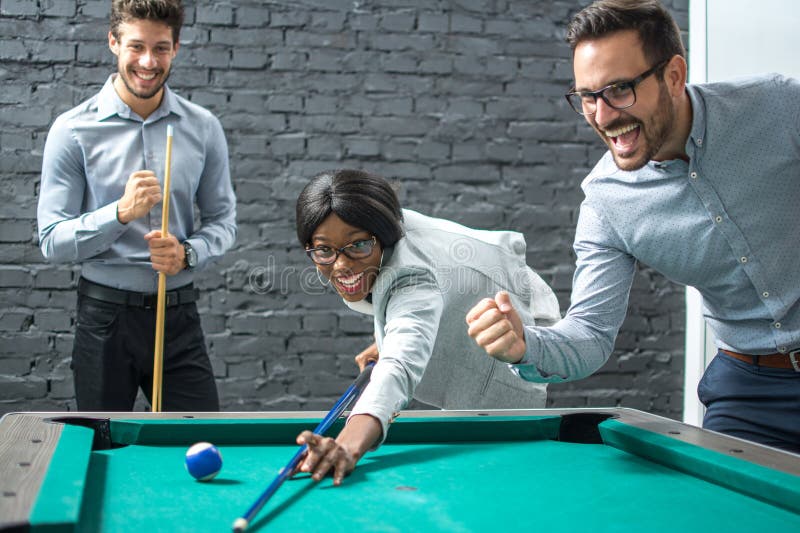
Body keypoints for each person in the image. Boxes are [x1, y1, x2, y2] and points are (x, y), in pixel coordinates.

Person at [467, 0, 800, 453]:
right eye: (587, 97)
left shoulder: (779, 106)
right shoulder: (607, 202)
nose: (602, 116)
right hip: (749, 390)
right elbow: (590, 334)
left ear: (674, 75)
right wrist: (526, 346)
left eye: (619, 90)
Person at [293, 169, 560, 483]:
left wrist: (347, 445)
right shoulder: (373, 220)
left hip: (514, 321)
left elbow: (400, 365)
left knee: (488, 472)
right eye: (324, 250)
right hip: (477, 291)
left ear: (383, 235)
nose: (340, 264)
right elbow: (409, 321)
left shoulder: (413, 277)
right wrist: (390, 336)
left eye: (357, 246)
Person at [36, 0, 236, 411]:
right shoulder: (72, 130)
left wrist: (187, 253)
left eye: (161, 48)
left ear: (176, 47)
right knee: (105, 444)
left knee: (198, 438)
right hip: (105, 320)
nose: (148, 61)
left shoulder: (203, 127)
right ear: (113, 42)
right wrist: (119, 213)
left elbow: (222, 221)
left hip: (178, 317)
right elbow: (52, 240)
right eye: (136, 46)